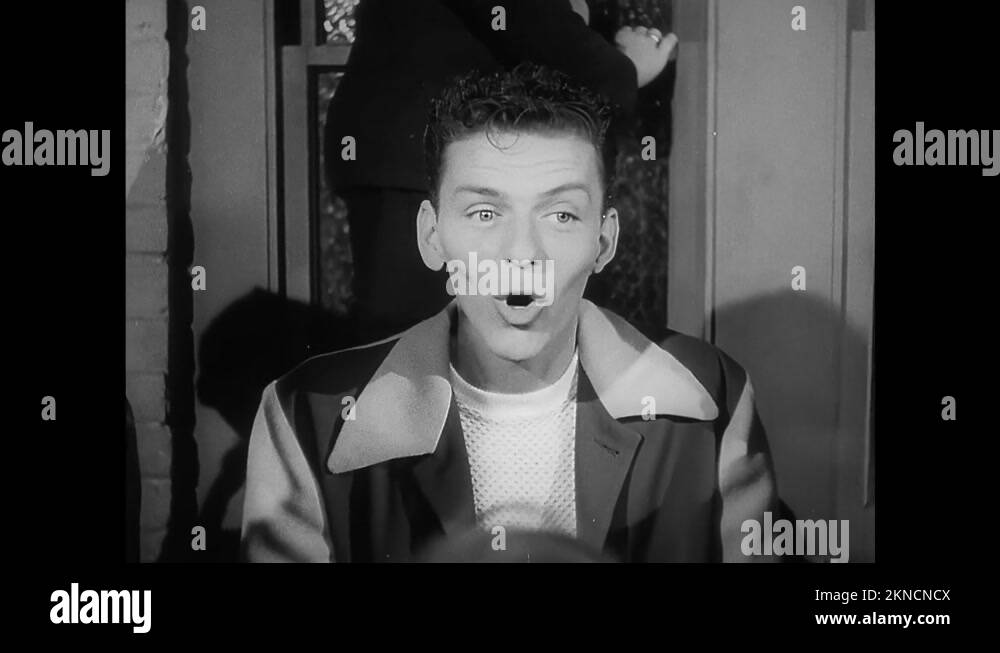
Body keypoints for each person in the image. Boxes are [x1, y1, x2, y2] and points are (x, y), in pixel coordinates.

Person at [243, 63, 777, 562]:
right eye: (484, 212)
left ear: (604, 241)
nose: (522, 254)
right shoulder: (307, 415)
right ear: (432, 236)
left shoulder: (712, 397)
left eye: (562, 214)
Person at [324, 0, 677, 342]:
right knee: (419, 348)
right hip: (431, 149)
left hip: (426, 146)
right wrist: (627, 67)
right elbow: (533, 21)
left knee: (438, 342)